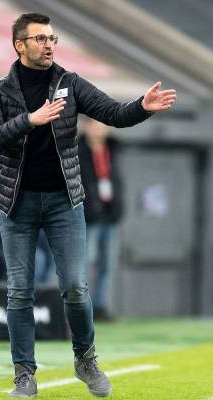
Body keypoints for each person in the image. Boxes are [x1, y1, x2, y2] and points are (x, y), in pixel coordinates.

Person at [0, 13, 176, 399]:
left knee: (74, 287)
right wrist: (29, 120)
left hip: (64, 203)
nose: (49, 44)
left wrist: (142, 106)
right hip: (16, 205)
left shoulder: (70, 84)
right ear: (20, 45)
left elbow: (114, 114)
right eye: (40, 39)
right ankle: (24, 374)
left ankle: (85, 359)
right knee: (20, 291)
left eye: (52, 38)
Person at [78, 118, 123, 321]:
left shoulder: (112, 150)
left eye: (101, 125)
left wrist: (118, 208)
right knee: (87, 261)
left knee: (108, 262)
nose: (97, 130)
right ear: (86, 127)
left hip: (109, 214)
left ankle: (101, 305)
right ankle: (80, 306)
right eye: (93, 125)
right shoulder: (77, 151)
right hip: (89, 216)